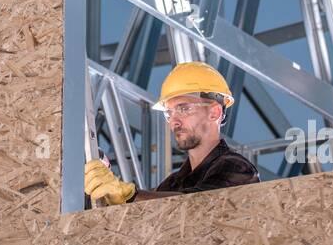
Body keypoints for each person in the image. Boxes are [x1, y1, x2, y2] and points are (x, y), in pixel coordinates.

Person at [85, 61, 261, 205]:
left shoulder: (238, 170)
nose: (174, 121)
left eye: (183, 109)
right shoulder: (172, 183)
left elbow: (201, 206)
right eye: (169, 113)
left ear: (214, 112)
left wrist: (129, 195)